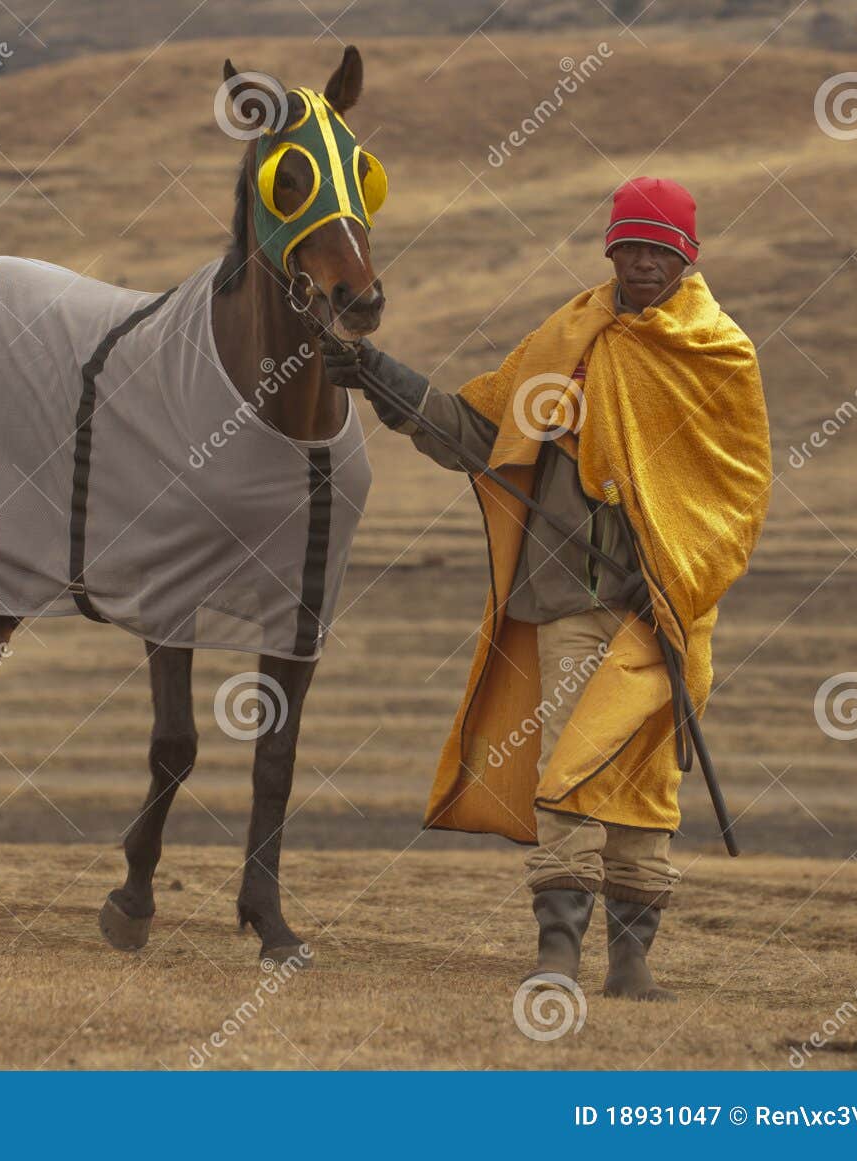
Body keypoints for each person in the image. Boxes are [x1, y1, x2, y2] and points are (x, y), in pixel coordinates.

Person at [323, 177, 772, 1000]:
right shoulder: (570, 336)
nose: (641, 262)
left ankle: (632, 965)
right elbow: (476, 432)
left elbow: (736, 496)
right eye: (628, 246)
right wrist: (371, 372)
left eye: (658, 249)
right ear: (610, 248)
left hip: (664, 617)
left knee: (644, 776)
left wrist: (670, 577)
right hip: (568, 600)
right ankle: (558, 949)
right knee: (567, 765)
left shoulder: (718, 352)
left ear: (687, 257)